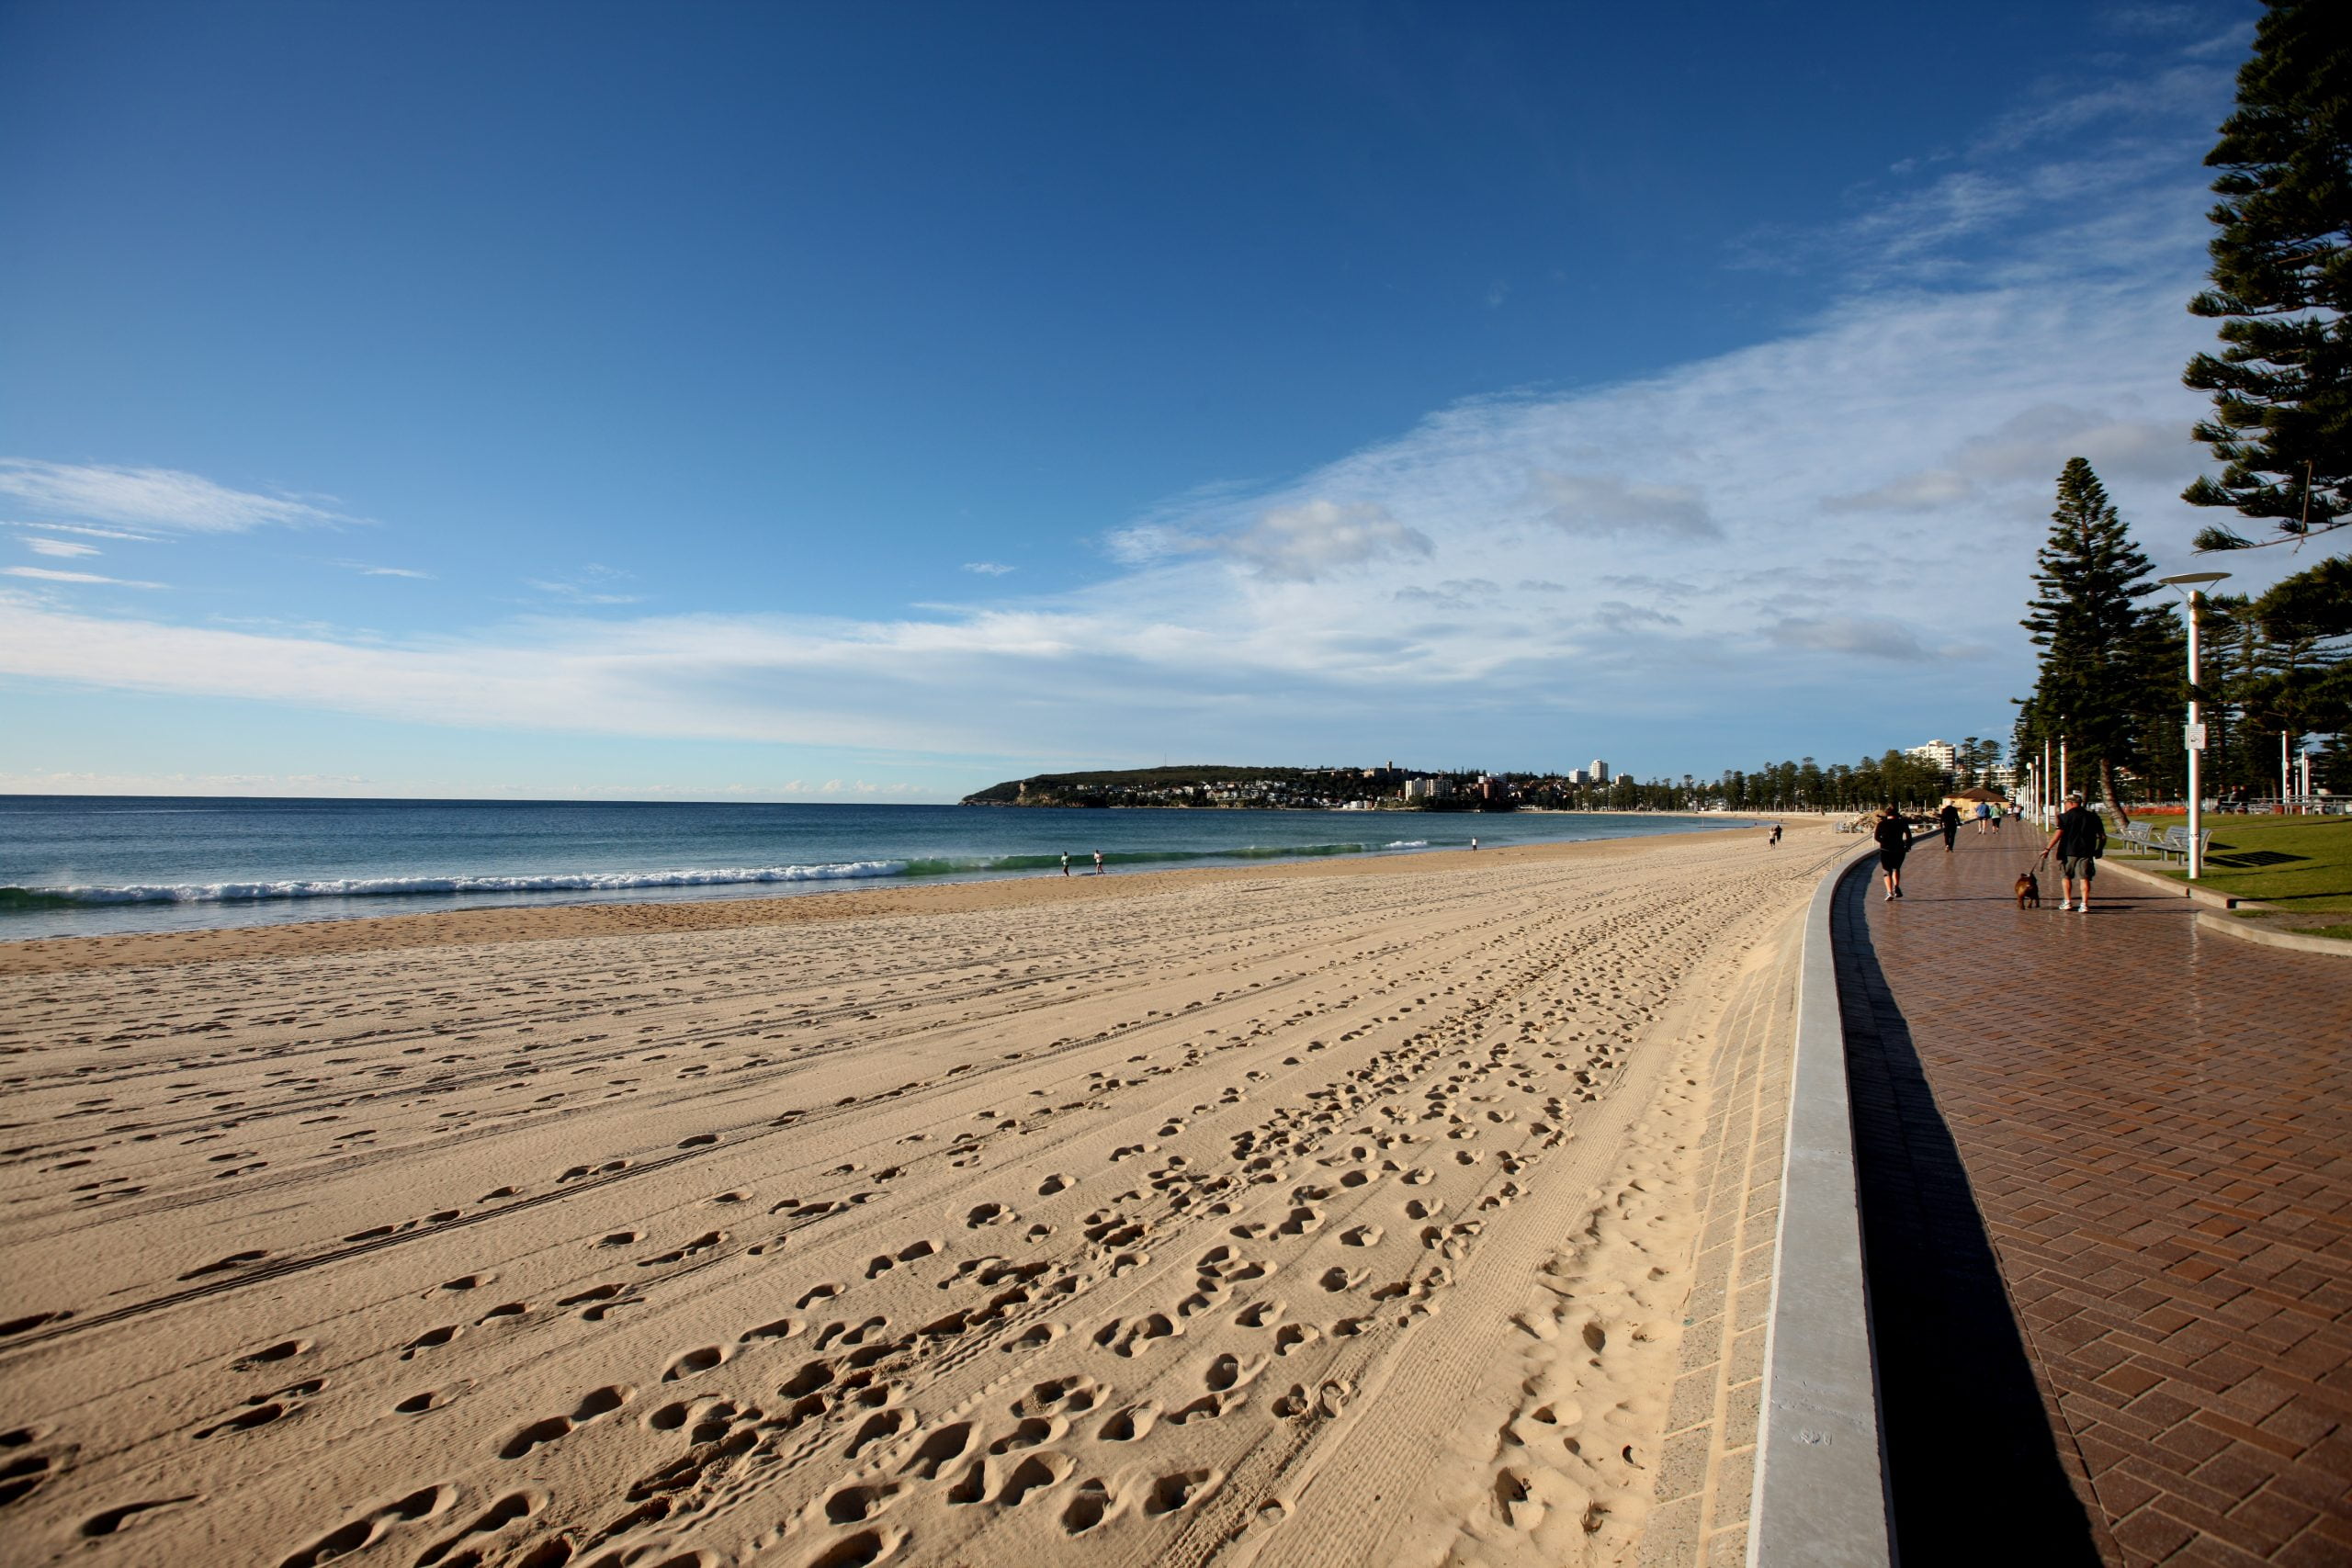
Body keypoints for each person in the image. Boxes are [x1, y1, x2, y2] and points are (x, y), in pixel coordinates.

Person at [2042, 792, 2105, 912]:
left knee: (2066, 876)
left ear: (2070, 803)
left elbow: (2058, 834)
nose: (2065, 806)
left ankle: (2067, 902)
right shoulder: (2092, 816)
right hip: (2087, 851)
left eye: (2065, 803)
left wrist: (2047, 848)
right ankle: (2084, 904)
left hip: (2068, 851)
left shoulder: (2064, 817)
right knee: (2085, 877)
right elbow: (2102, 836)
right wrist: (2099, 849)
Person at [1873, 806, 1911, 900]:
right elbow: (1908, 836)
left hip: (1886, 850)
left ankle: (1889, 892)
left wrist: (1884, 841)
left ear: (1886, 814)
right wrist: (1908, 846)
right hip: (1899, 849)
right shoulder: (1902, 823)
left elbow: (1876, 837)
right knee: (1896, 868)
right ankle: (1896, 887)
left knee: (1886, 871)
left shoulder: (1882, 823)